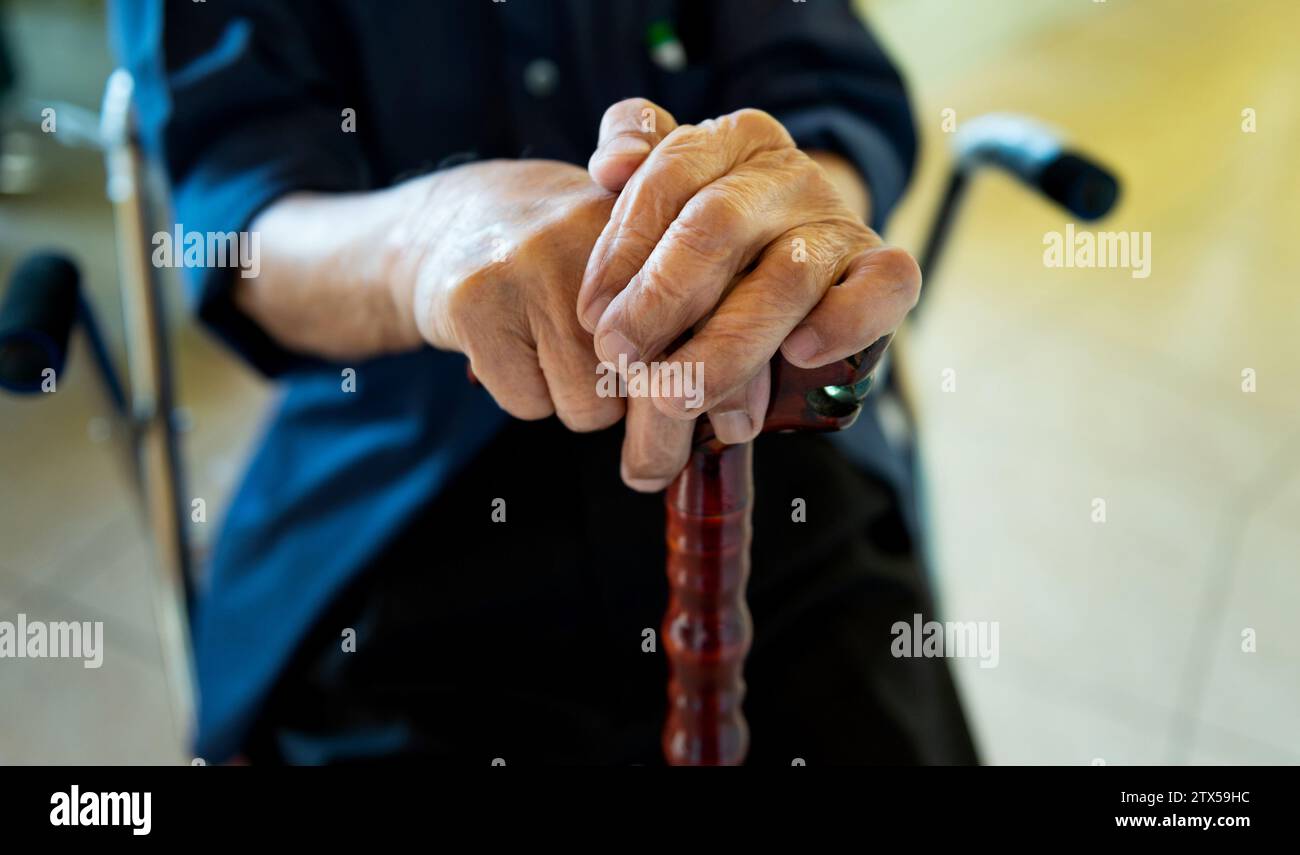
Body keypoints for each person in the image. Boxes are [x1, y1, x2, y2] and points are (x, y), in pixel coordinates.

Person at [111, 0, 977, 764]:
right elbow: (240, 216)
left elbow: (821, 84)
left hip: (762, 451)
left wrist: (783, 228)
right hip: (398, 508)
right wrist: (428, 237)